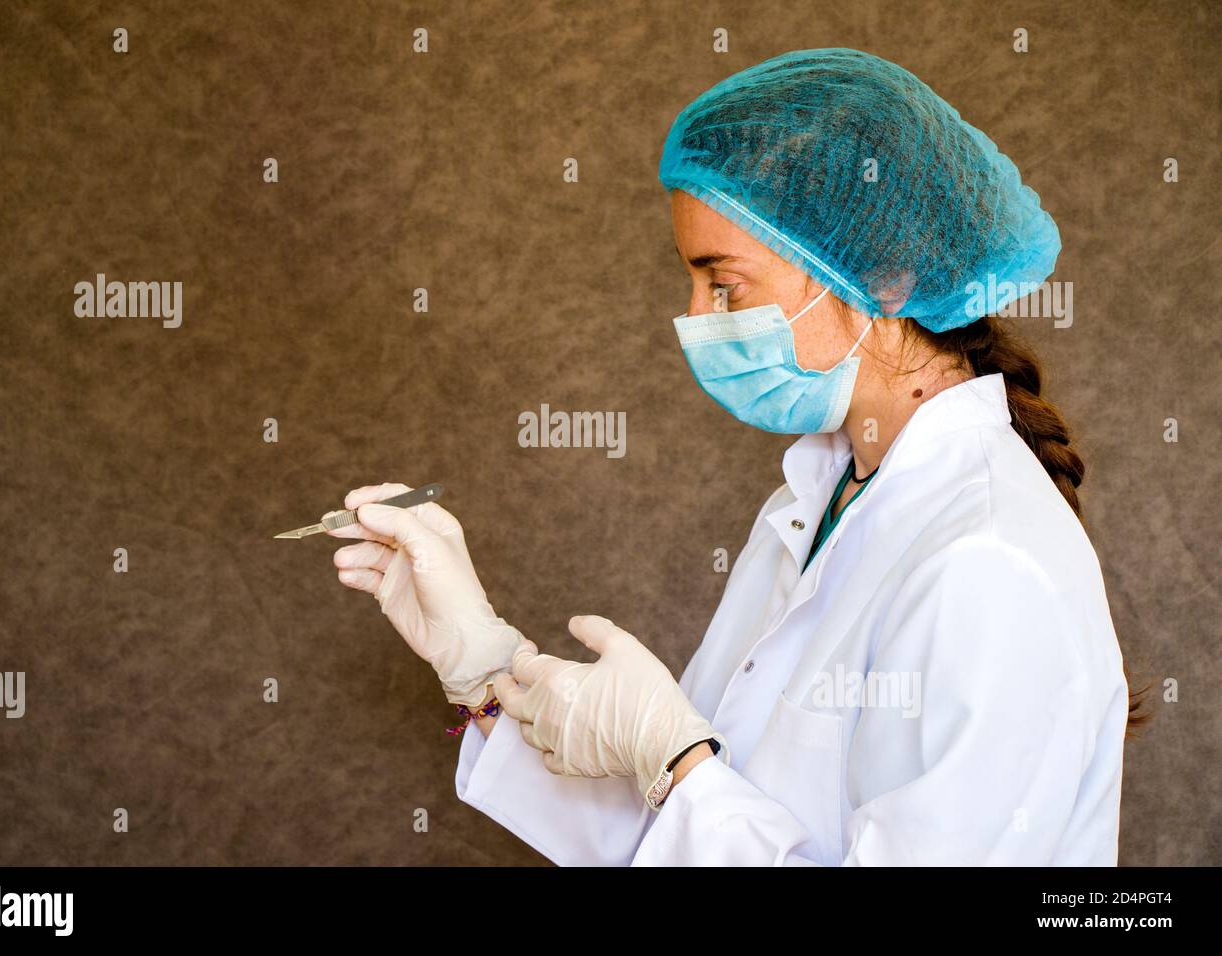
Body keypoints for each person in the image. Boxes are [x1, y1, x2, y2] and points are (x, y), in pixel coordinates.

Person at [327, 48, 1137, 865]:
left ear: (885, 278)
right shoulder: (824, 496)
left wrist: (678, 762)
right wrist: (485, 667)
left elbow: (693, 798)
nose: (695, 318)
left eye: (725, 284)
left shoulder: (987, 561)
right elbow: (677, 834)